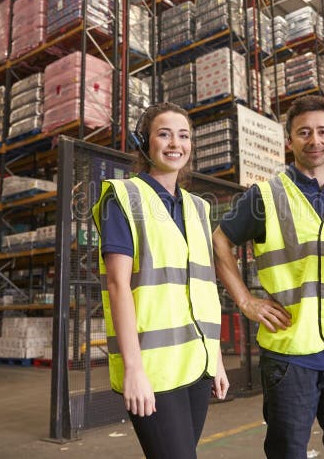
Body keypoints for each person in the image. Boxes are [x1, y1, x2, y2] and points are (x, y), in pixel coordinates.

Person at [212, 95, 324, 459]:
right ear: (289, 141)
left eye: (323, 131)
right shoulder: (266, 195)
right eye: (304, 132)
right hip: (290, 352)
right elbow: (220, 240)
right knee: (287, 451)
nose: (315, 141)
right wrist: (245, 301)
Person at [91, 103, 229, 459]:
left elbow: (200, 286)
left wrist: (214, 357)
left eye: (183, 136)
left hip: (197, 364)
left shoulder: (199, 208)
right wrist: (133, 369)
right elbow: (117, 285)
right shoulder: (122, 198)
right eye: (164, 134)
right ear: (145, 143)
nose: (175, 143)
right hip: (152, 368)